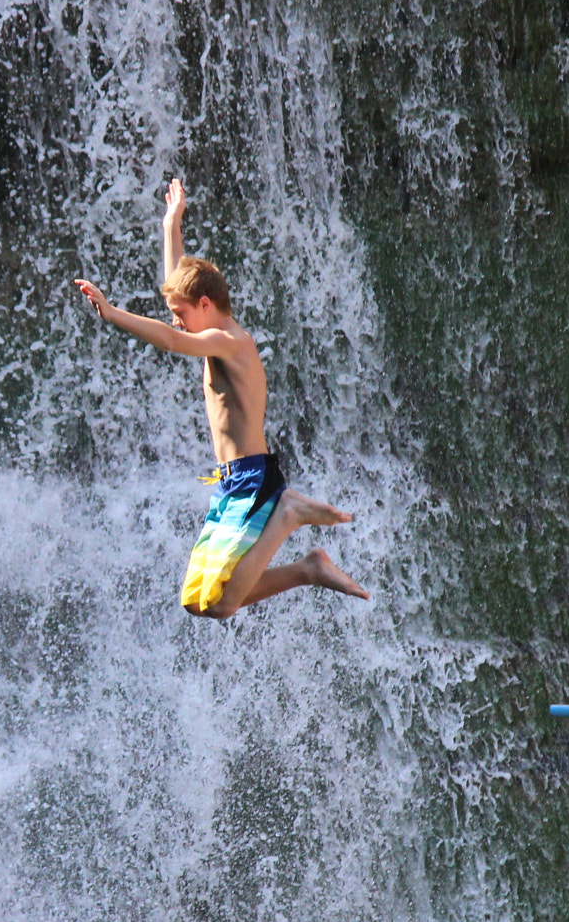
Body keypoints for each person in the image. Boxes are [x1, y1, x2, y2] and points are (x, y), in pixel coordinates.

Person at [75, 178, 369, 618]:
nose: (177, 322)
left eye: (181, 314)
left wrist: (113, 312)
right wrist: (171, 226)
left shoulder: (231, 342)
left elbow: (171, 341)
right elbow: (177, 288)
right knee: (200, 601)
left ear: (206, 304)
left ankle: (290, 514)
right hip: (230, 480)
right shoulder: (215, 334)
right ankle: (309, 568)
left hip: (253, 478)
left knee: (221, 603)